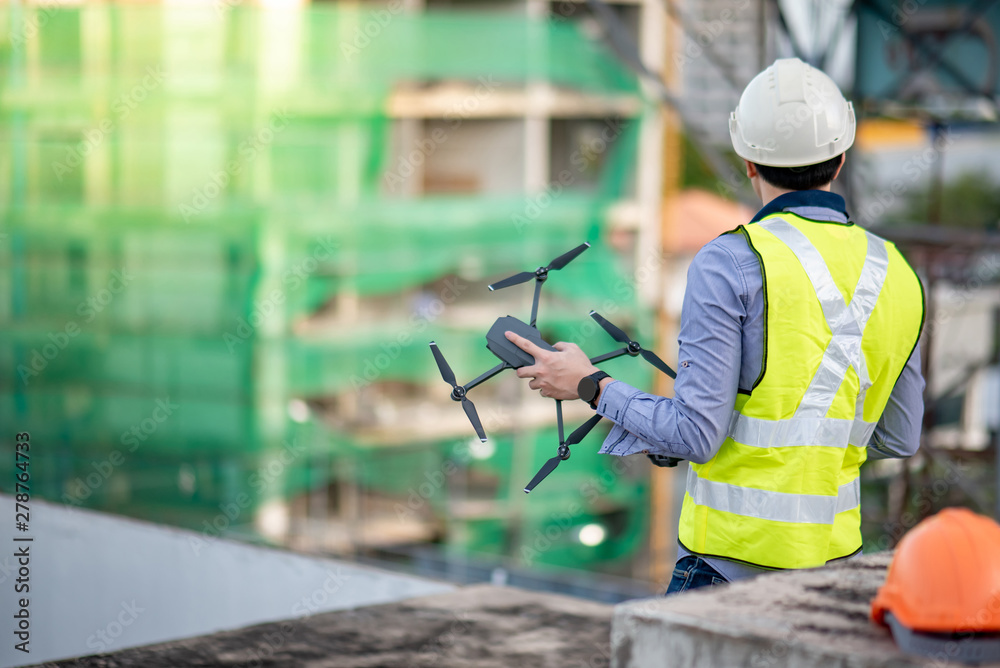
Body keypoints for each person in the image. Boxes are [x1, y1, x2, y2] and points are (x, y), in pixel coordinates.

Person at [505, 57, 925, 593]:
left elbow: (697, 434)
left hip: (726, 569)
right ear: (840, 158)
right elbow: (898, 436)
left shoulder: (731, 261)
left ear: (748, 160)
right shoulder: (898, 272)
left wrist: (590, 385)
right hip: (832, 575)